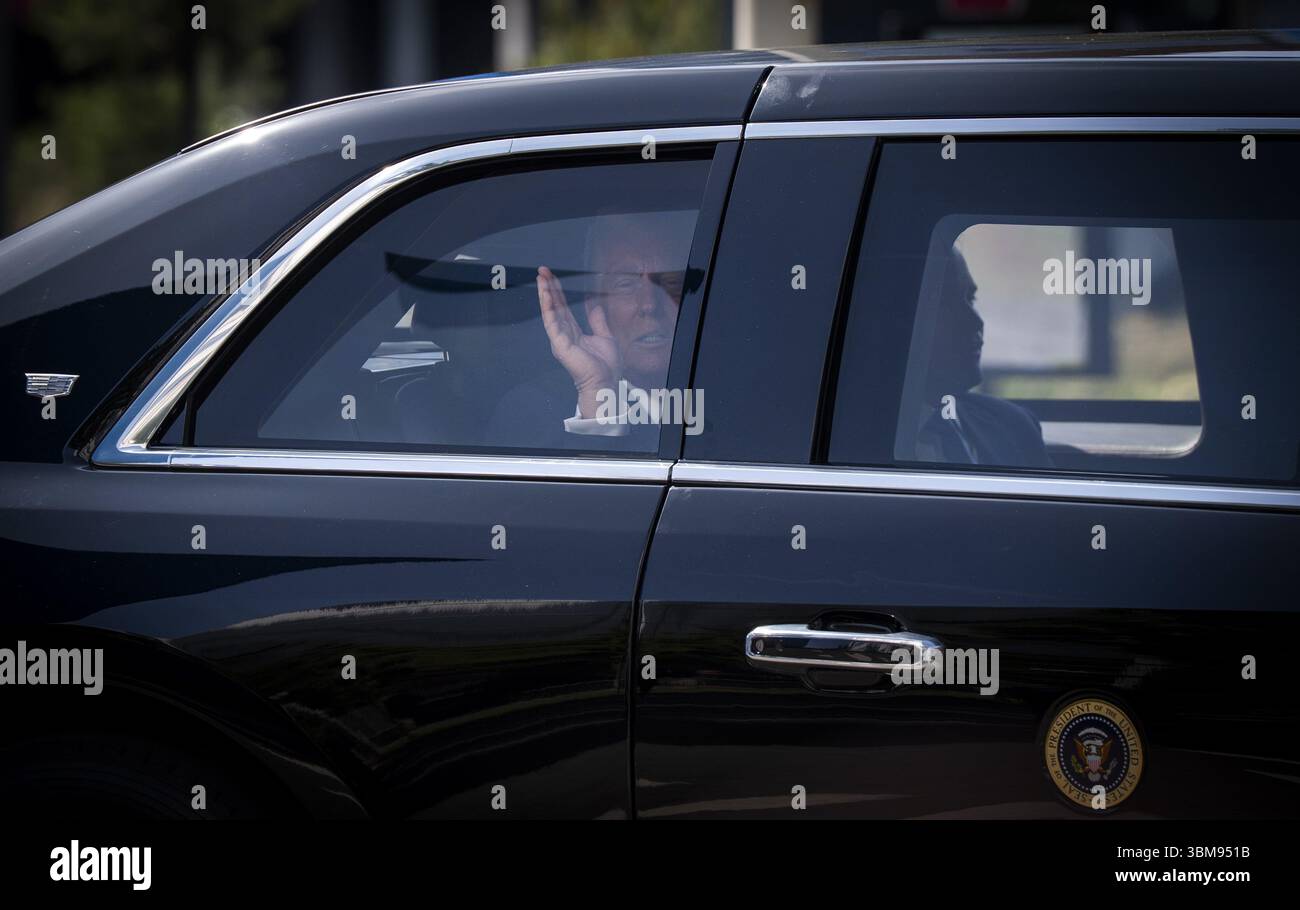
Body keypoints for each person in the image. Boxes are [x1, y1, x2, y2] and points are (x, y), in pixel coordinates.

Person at [488, 214, 686, 451]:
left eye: (672, 281)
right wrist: (597, 391)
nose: (650, 305)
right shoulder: (533, 409)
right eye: (626, 284)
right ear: (594, 306)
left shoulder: (733, 396)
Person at [911, 249, 1052, 467]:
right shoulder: (851, 441)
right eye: (943, 303)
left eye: (970, 298)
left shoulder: (1013, 425)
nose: (975, 321)